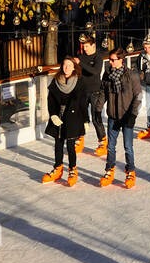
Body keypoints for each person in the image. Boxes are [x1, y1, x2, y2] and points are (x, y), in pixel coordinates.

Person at [43, 56, 88, 187]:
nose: (66, 67)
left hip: (73, 117)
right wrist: (53, 115)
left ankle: (73, 169)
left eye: (69, 65)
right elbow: (50, 100)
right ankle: (58, 168)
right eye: (64, 65)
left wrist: (85, 119)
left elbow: (82, 102)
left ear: (74, 67)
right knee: (58, 143)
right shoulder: (56, 81)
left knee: (70, 145)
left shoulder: (79, 81)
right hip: (59, 116)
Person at [100, 48, 141, 189]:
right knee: (110, 146)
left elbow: (139, 96)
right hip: (113, 115)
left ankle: (130, 171)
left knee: (128, 147)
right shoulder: (107, 75)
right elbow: (103, 93)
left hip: (127, 116)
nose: (110, 62)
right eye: (110, 60)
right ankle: (109, 170)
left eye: (113, 60)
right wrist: (98, 109)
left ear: (121, 60)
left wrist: (133, 114)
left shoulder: (131, 75)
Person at [76, 34, 108, 157]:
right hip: (83, 91)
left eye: (87, 46)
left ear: (93, 45)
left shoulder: (98, 57)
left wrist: (81, 63)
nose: (85, 49)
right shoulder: (81, 57)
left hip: (96, 92)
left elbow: (95, 72)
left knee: (96, 118)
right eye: (84, 46)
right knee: (81, 117)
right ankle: (80, 140)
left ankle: (102, 142)